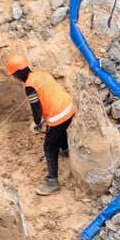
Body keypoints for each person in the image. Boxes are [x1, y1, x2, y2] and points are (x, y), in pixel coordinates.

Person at [6, 54, 74, 196]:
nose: (14, 78)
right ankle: (66, 149)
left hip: (58, 115)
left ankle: (52, 182)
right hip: (69, 107)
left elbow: (36, 108)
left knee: (49, 147)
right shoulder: (41, 74)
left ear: (18, 74)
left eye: (14, 75)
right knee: (60, 130)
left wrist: (37, 123)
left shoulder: (30, 86)